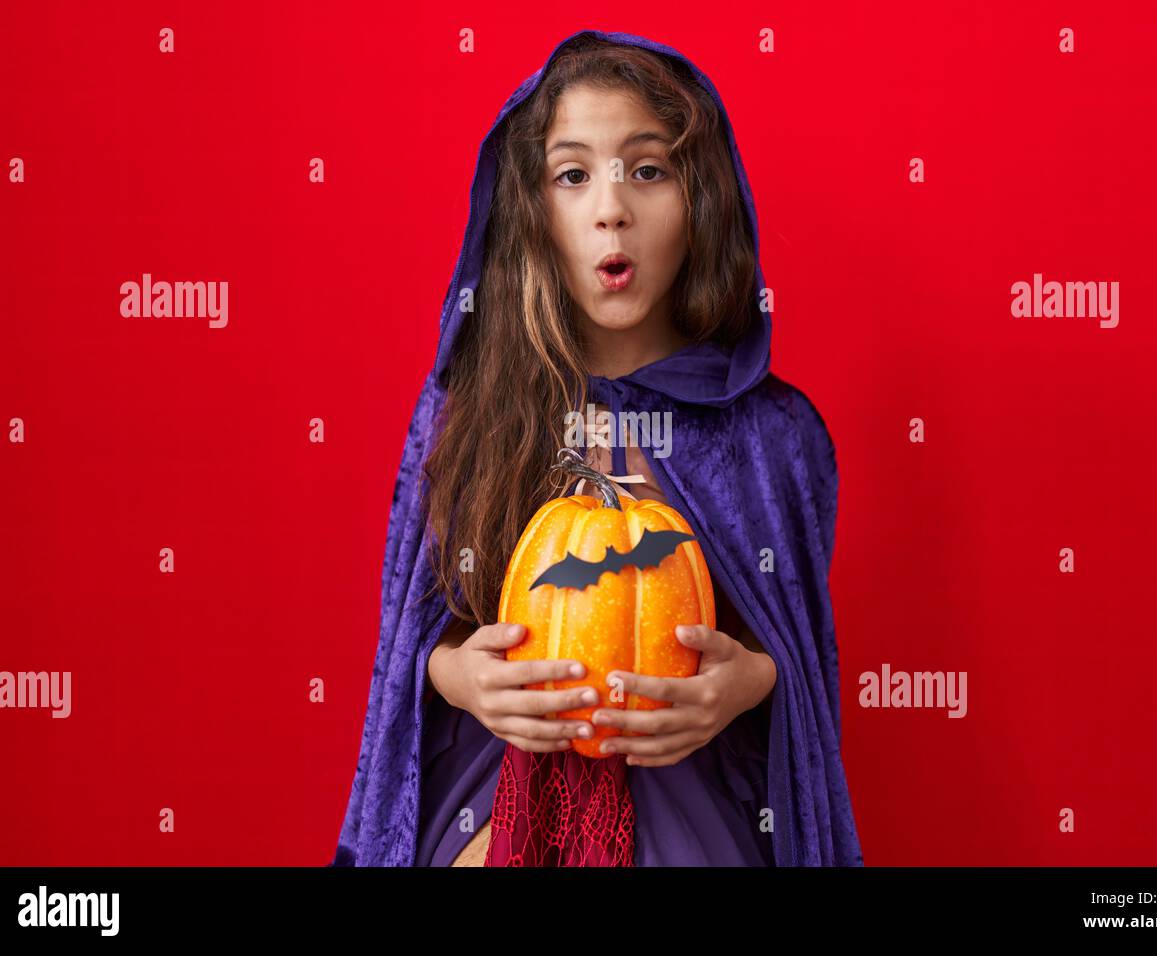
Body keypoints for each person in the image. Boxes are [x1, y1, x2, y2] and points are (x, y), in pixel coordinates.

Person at [331, 29, 864, 868]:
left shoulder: (770, 435)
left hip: (696, 803)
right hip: (495, 800)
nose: (611, 206)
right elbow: (407, 646)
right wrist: (457, 678)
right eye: (572, 175)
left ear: (702, 203)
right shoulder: (464, 413)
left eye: (647, 170)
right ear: (532, 213)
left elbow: (798, 658)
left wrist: (749, 683)